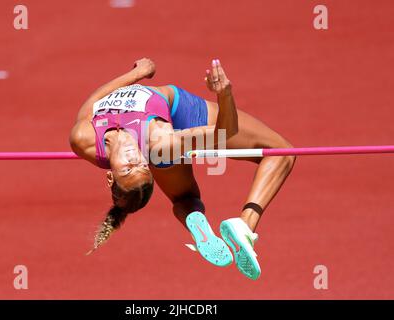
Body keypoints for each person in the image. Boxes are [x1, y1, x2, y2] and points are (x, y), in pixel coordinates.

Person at [69, 58, 295, 280]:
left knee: (184, 198)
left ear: (110, 176)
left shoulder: (83, 140)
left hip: (163, 137)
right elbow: (225, 132)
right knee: (281, 152)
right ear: (149, 164)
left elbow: (93, 101)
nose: (133, 159)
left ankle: (198, 219)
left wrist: (137, 74)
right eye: (140, 165)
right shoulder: (158, 143)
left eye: (128, 169)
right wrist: (224, 94)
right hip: (180, 111)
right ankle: (245, 225)